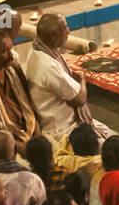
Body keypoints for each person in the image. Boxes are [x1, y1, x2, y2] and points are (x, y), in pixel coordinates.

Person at [23, 11, 92, 139]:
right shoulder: (48, 66)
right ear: (54, 35)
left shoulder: (36, 50)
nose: (69, 31)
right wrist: (82, 81)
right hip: (62, 129)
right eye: (65, 27)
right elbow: (80, 100)